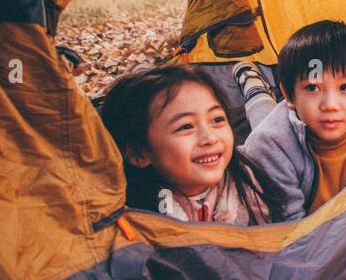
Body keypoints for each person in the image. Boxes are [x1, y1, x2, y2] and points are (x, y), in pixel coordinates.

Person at [237, 20, 346, 221]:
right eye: (312, 88)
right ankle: (254, 88)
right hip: (280, 140)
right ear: (290, 96)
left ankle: (255, 89)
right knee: (265, 125)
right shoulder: (269, 146)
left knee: (267, 116)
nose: (330, 105)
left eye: (344, 87)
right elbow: (288, 232)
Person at [101, 65, 278, 225]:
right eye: (186, 126)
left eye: (217, 119)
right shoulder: (136, 217)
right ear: (138, 154)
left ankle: (255, 89)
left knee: (268, 129)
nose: (210, 138)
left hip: (262, 140)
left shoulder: (252, 179)